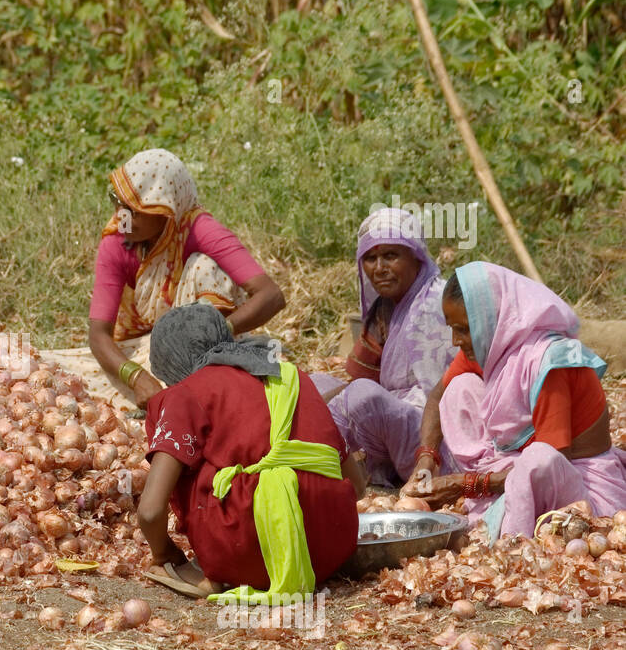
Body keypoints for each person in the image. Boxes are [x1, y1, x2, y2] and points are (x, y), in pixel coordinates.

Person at [137, 303, 364, 601]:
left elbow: (150, 512)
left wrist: (166, 554)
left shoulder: (187, 392)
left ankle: (214, 573)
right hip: (331, 548)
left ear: (171, 361)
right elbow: (358, 487)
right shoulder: (295, 378)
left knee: (189, 460)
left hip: (248, 554)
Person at [42, 149, 284, 410]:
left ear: (167, 213)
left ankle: (204, 381)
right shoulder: (117, 241)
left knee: (204, 267)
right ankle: (182, 393)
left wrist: (219, 332)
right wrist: (136, 377)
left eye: (135, 211)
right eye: (118, 201)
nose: (122, 217)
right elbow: (99, 334)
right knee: (54, 375)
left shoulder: (198, 229)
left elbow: (270, 295)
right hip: (143, 350)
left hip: (200, 349)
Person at [405, 262, 626, 538]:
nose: (454, 340)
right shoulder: (491, 345)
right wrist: (427, 458)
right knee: (458, 389)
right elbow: (438, 395)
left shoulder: (549, 361)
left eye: (462, 329)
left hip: (577, 482)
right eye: (452, 328)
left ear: (491, 320)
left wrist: (464, 485)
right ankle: (494, 497)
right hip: (513, 465)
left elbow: (550, 463)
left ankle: (512, 531)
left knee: (537, 458)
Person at [310, 208, 456, 485]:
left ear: (416, 257)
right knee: (313, 384)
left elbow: (444, 395)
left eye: (390, 256)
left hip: (433, 431)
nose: (379, 268)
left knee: (362, 396)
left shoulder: (438, 303)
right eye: (370, 258)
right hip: (394, 412)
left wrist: (350, 398)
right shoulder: (386, 307)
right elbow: (365, 378)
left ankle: (349, 474)